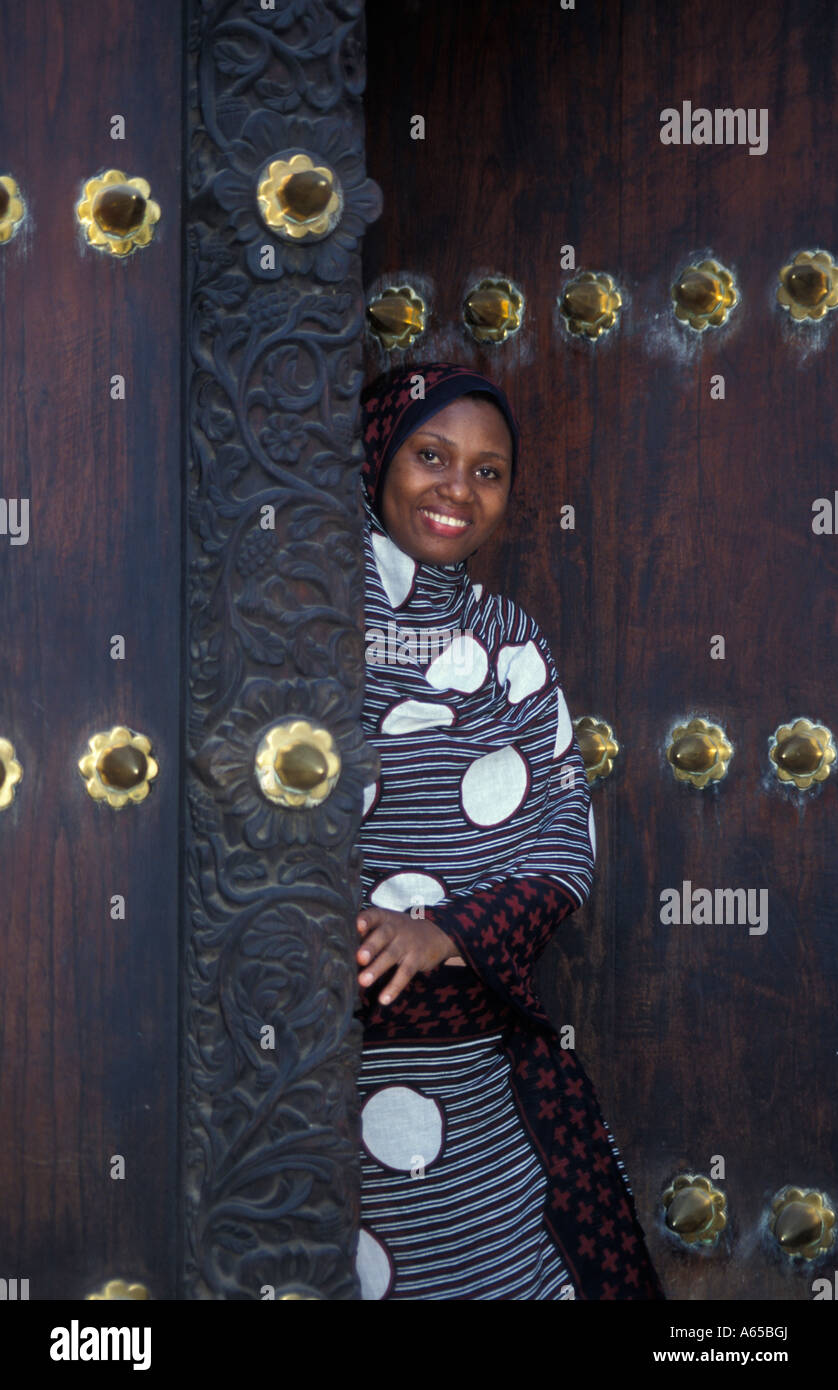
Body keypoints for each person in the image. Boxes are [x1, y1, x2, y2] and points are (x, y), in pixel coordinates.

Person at [353, 361, 663, 1301]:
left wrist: (446, 934)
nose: (459, 488)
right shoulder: (289, 626)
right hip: (315, 1076)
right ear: (376, 460)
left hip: (480, 1076)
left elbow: (566, 839)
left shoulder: (512, 641)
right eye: (432, 455)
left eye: (489, 471)